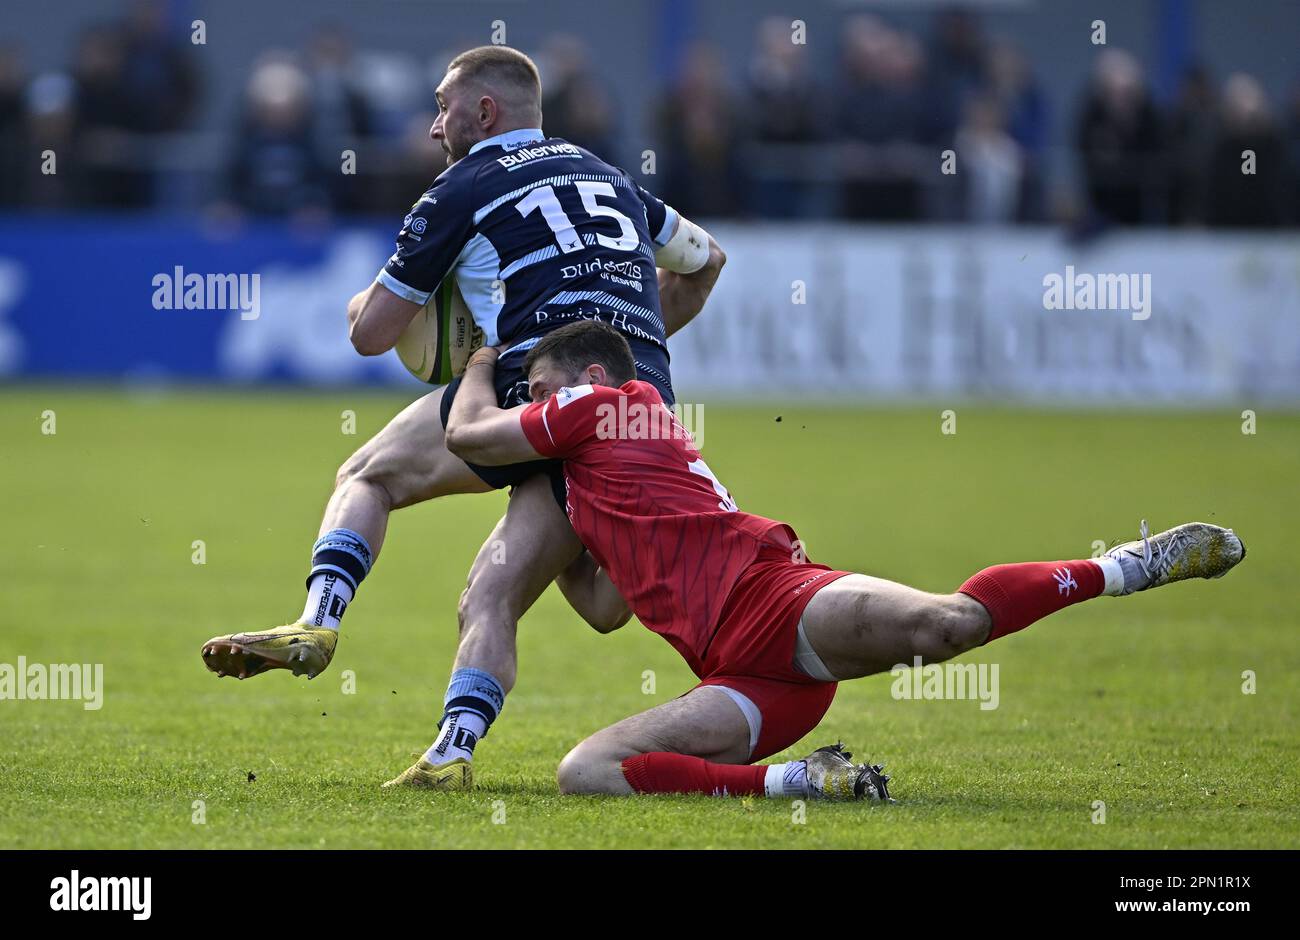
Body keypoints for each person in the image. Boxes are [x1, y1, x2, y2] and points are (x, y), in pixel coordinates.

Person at [403, 319, 1247, 801]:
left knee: (947, 625)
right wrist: (553, 539)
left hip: (774, 599)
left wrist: (477, 365)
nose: (537, 408)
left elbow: (469, 434)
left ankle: (1134, 562)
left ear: (586, 377)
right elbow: (605, 610)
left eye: (540, 390)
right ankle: (805, 782)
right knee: (585, 773)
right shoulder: (591, 487)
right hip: (745, 679)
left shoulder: (611, 399)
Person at [201, 46, 726, 792]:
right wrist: (632, 343)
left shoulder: (463, 186)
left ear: (484, 112)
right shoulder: (611, 177)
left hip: (530, 384)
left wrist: (380, 308)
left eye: (443, 106)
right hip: (636, 411)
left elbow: (370, 334)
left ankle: (319, 620)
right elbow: (708, 260)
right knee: (555, 599)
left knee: (368, 473)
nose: (432, 125)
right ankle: (449, 752)